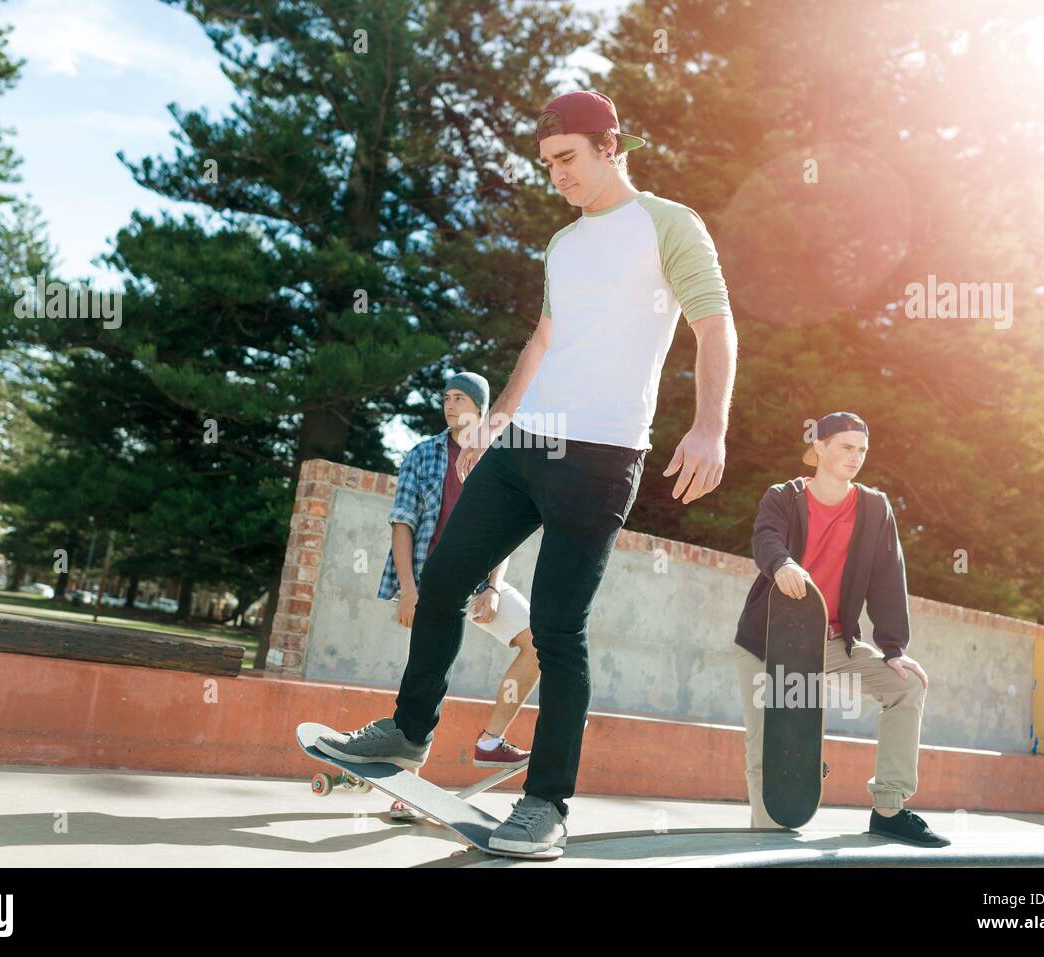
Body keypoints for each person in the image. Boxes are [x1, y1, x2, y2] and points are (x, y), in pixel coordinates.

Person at [317, 89, 736, 857]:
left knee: (555, 628)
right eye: (546, 165)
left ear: (612, 146)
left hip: (604, 454)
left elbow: (715, 324)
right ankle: (409, 733)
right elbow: (543, 338)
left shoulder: (669, 224)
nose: (557, 176)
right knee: (443, 579)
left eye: (568, 160)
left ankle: (545, 803)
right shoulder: (565, 245)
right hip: (526, 448)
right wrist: (495, 422)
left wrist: (710, 424)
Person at [731, 411, 950, 847]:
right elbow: (766, 538)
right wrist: (783, 563)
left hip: (832, 642)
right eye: (846, 447)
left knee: (905, 688)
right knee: (768, 748)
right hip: (769, 643)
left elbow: (889, 575)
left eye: (862, 450)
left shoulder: (873, 507)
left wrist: (893, 648)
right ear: (819, 448)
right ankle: (770, 837)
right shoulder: (785, 496)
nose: (855, 457)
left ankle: (889, 808)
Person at [375, 372, 540, 820]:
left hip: (479, 581)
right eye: (446, 397)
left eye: (461, 398)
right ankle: (405, 786)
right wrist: (409, 591)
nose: (450, 405)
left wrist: (492, 586)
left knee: (538, 642)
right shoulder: (422, 454)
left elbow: (504, 532)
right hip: (431, 583)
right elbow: (402, 524)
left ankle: (491, 741)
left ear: (483, 408)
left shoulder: (498, 459)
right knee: (429, 681)